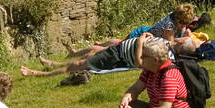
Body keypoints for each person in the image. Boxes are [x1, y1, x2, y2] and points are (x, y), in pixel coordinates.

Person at [19, 30, 168, 82]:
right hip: (118, 49)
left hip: (117, 57)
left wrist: (141, 42)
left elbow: (138, 63)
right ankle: (53, 64)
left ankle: (37, 74)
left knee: (77, 65)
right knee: (84, 58)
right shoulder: (166, 45)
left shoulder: (161, 57)